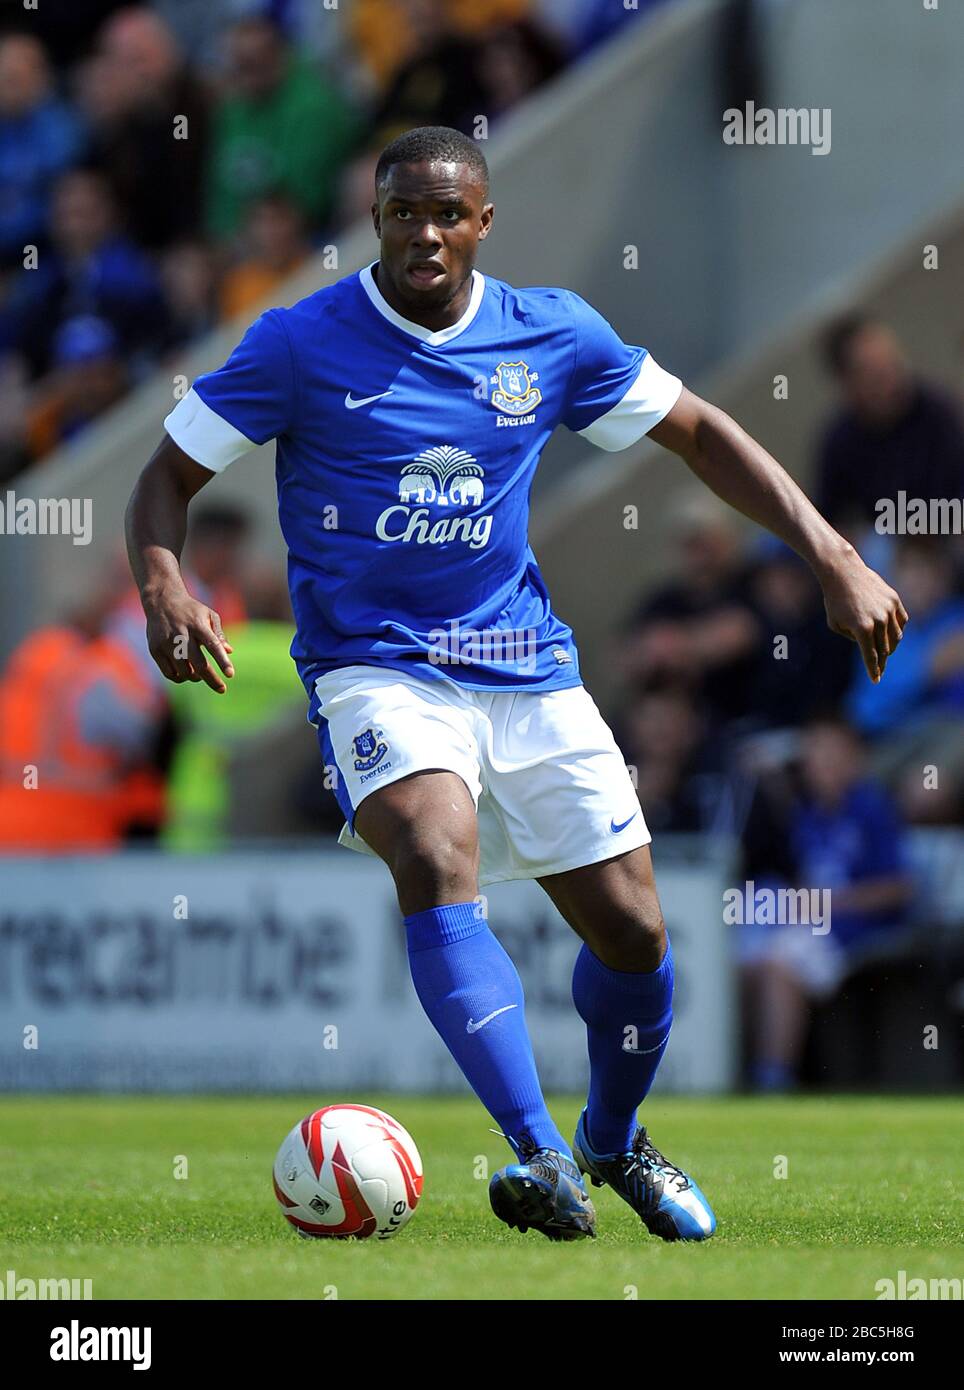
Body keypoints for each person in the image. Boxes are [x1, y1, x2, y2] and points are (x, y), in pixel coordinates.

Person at [126, 125, 907, 1244]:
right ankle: (539, 1151)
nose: (425, 234)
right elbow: (166, 475)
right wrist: (165, 583)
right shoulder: (301, 343)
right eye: (403, 213)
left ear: (483, 221)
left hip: (524, 664)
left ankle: (611, 1139)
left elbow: (698, 433)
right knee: (436, 850)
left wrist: (830, 554)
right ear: (377, 222)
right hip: (374, 665)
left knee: (635, 933)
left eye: (448, 214)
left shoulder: (551, 334)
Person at [739, 716, 913, 1092]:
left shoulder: (872, 810)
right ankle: (742, 1069)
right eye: (816, 755)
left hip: (853, 932)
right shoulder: (806, 814)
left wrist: (829, 904)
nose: (824, 765)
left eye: (835, 754)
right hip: (810, 924)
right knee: (746, 958)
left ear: (856, 760)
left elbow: (900, 889)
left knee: (777, 965)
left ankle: (773, 1080)